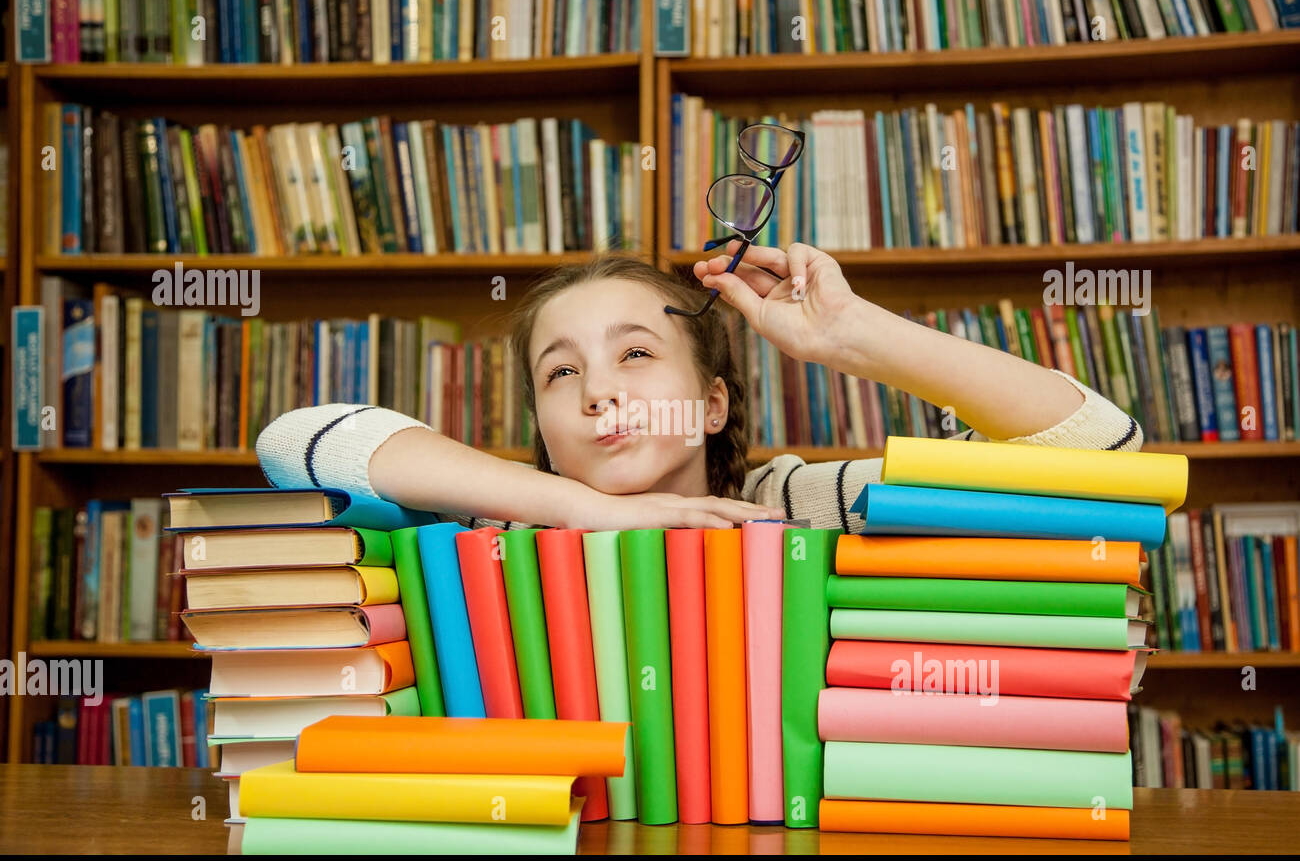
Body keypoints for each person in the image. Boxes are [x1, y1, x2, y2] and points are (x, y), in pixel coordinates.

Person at [254, 241, 1143, 533]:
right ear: (541, 421)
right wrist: (599, 513)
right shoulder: (508, 522)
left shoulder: (787, 504)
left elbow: (1100, 455)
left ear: (711, 402)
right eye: (561, 373)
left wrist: (857, 337)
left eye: (636, 355)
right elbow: (296, 440)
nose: (599, 392)